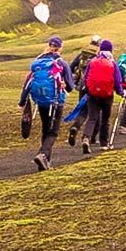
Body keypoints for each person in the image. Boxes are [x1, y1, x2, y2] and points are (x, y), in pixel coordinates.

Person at [19, 35, 75, 171]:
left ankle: (45, 162)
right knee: (53, 132)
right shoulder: (61, 63)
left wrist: (22, 102)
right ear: (60, 47)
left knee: (45, 129)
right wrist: (64, 87)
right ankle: (43, 154)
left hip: (40, 101)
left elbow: (28, 82)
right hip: (56, 101)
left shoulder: (37, 62)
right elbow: (71, 86)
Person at [81, 39, 124, 152]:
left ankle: (86, 137)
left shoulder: (92, 61)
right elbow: (117, 80)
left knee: (92, 118)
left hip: (93, 94)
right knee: (105, 119)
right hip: (107, 95)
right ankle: (104, 144)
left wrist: (88, 89)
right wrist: (120, 92)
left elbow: (86, 77)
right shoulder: (112, 63)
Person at [66, 34, 101, 146]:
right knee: (95, 112)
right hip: (95, 86)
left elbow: (71, 67)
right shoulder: (99, 54)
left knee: (83, 110)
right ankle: (92, 138)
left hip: (82, 85)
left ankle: (75, 127)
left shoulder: (83, 54)